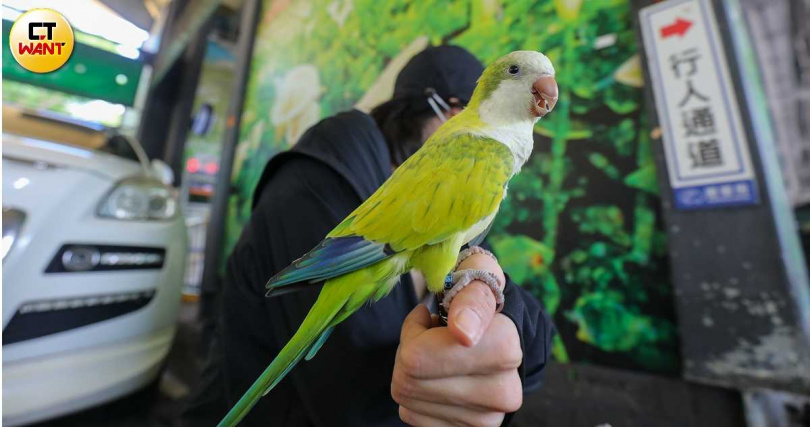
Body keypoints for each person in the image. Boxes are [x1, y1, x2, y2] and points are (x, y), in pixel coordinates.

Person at [182, 45, 553, 426]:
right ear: (441, 109)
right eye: (457, 108)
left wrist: (502, 312)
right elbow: (354, 379)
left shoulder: (449, 174)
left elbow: (535, 336)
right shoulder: (323, 175)